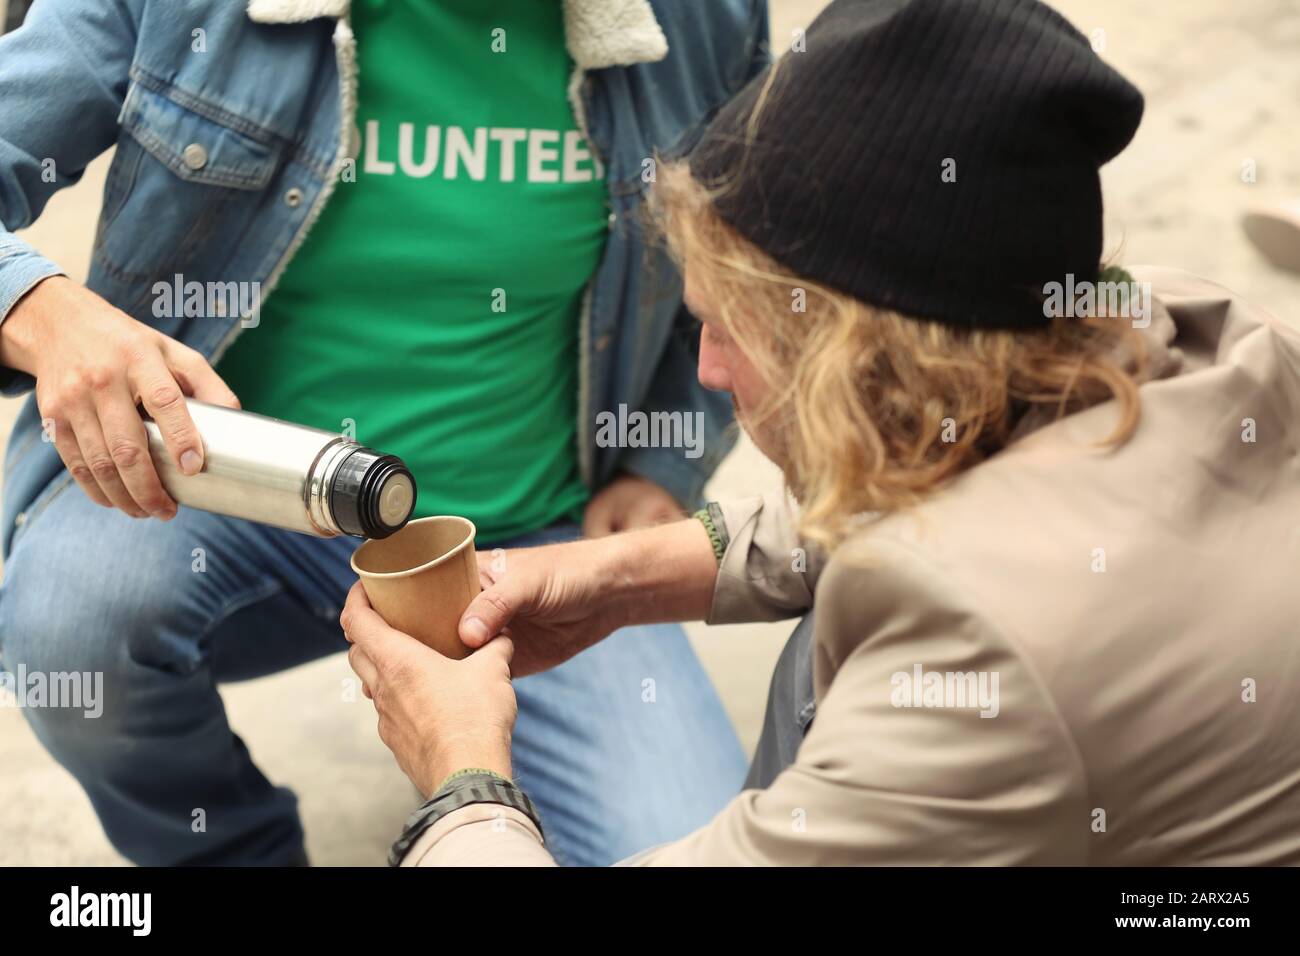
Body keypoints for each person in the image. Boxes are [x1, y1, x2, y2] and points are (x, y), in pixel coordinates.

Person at [344, 0, 1300, 866]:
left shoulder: (978, 660)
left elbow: (978, 582)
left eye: (725, 327)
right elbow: (930, 479)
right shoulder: (1176, 332)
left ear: (851, 355)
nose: (706, 371)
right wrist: (622, 579)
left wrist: (461, 774)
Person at [0, 0, 768, 866]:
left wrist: (662, 465)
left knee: (700, 851)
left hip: (527, 551)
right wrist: (42, 312)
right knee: (70, 630)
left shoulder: (703, 19)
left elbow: (757, 269)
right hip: (216, 495)